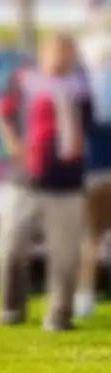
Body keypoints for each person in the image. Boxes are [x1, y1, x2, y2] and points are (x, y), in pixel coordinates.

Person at [0, 32, 91, 331]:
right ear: (44, 53)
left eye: (68, 51)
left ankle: (59, 315)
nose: (62, 57)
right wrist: (16, 147)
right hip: (26, 180)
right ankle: (11, 309)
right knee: (10, 246)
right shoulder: (23, 81)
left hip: (66, 183)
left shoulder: (80, 89)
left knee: (65, 255)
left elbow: (88, 128)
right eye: (56, 50)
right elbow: (2, 114)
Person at [76, 42, 111, 317]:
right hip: (97, 172)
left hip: (93, 172)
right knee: (92, 238)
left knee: (91, 238)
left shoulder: (86, 88)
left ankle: (84, 296)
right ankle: (84, 295)